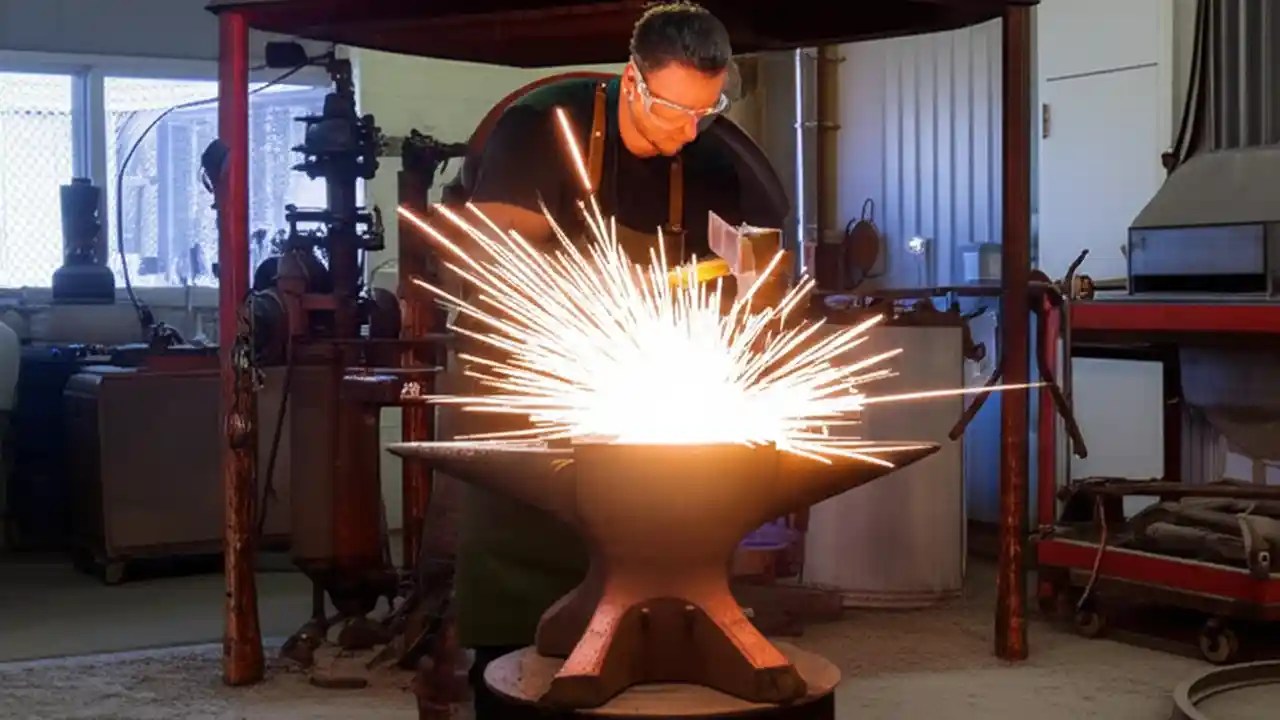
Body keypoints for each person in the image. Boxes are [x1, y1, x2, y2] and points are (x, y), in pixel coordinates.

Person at [444, 2, 785, 715]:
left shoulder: (711, 158)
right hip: (520, 380)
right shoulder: (546, 126)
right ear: (632, 81)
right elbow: (493, 263)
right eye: (670, 108)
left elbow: (724, 288)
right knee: (513, 590)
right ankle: (500, 680)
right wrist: (595, 296)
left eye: (706, 109)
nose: (686, 128)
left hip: (631, 385)